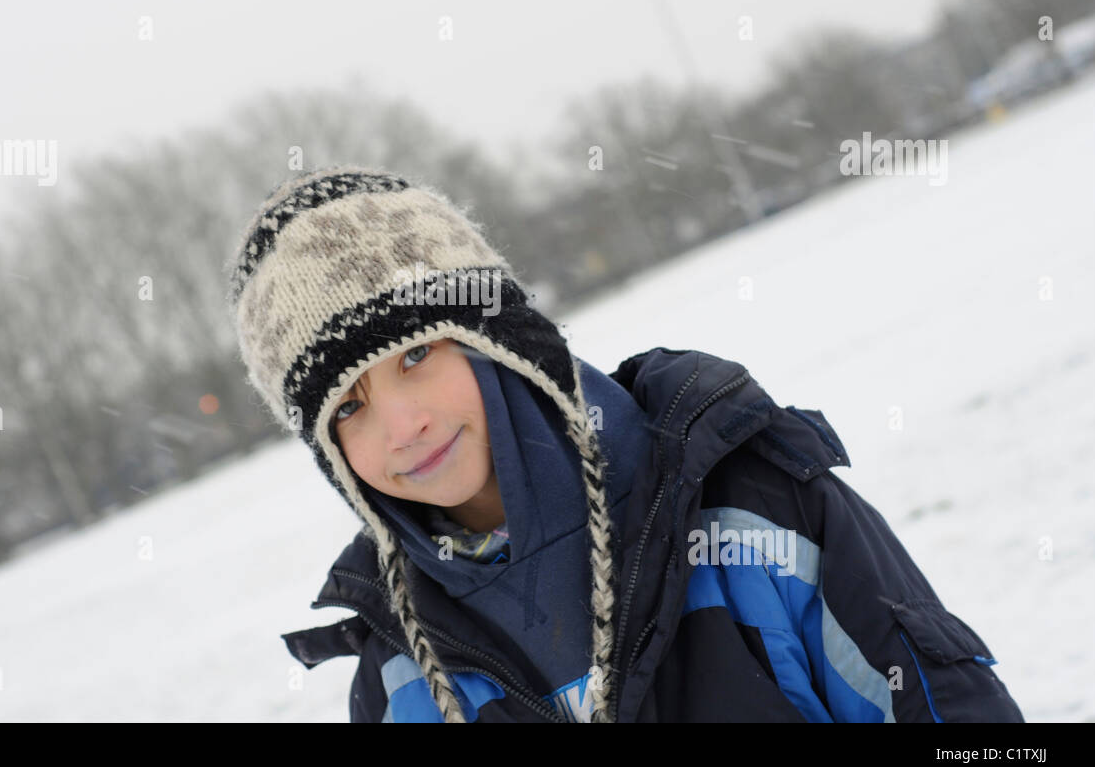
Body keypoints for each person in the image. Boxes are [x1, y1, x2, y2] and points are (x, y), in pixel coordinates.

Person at [227, 165, 1025, 723]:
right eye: (349, 408)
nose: (401, 426)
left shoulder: (748, 506)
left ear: (500, 343)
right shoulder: (402, 679)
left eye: (414, 356)